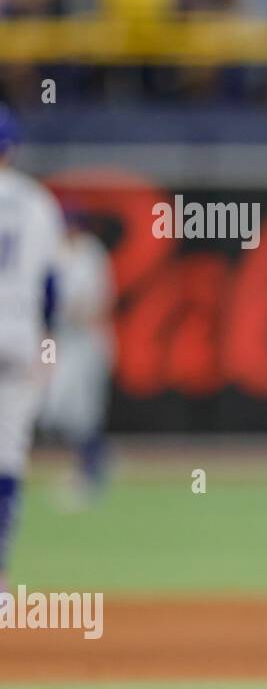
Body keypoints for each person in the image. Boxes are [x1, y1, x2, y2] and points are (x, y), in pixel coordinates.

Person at [0, 104, 63, 609]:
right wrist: (46, 341)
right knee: (8, 456)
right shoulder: (38, 201)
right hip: (19, 338)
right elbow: (49, 285)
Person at [36, 209, 115, 509]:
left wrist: (71, 312)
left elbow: (100, 302)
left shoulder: (92, 253)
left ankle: (91, 472)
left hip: (87, 342)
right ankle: (93, 461)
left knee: (84, 411)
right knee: (55, 407)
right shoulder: (54, 252)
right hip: (59, 342)